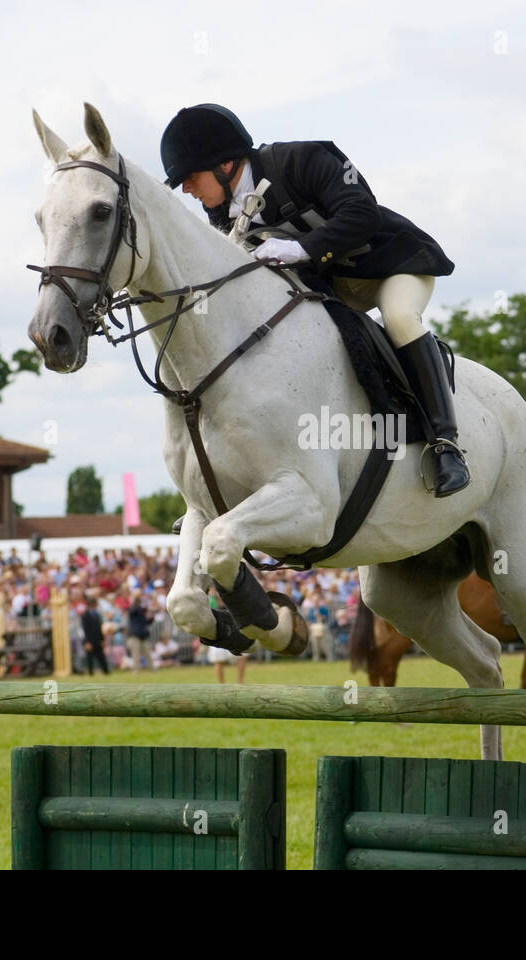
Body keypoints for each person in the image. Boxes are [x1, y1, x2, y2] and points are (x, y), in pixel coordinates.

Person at [160, 103, 469, 497]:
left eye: (190, 176)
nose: (186, 188)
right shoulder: (223, 214)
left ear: (225, 164)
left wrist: (302, 248)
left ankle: (446, 445)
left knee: (400, 318)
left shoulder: (302, 159)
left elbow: (362, 212)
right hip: (334, 289)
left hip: (392, 265)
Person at [80, 595, 109, 675]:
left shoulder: (97, 615)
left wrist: (102, 640)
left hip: (98, 640)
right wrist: (86, 642)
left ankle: (106, 672)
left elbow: (100, 629)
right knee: (90, 659)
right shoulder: (85, 616)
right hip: (89, 640)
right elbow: (84, 630)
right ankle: (90, 674)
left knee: (101, 657)